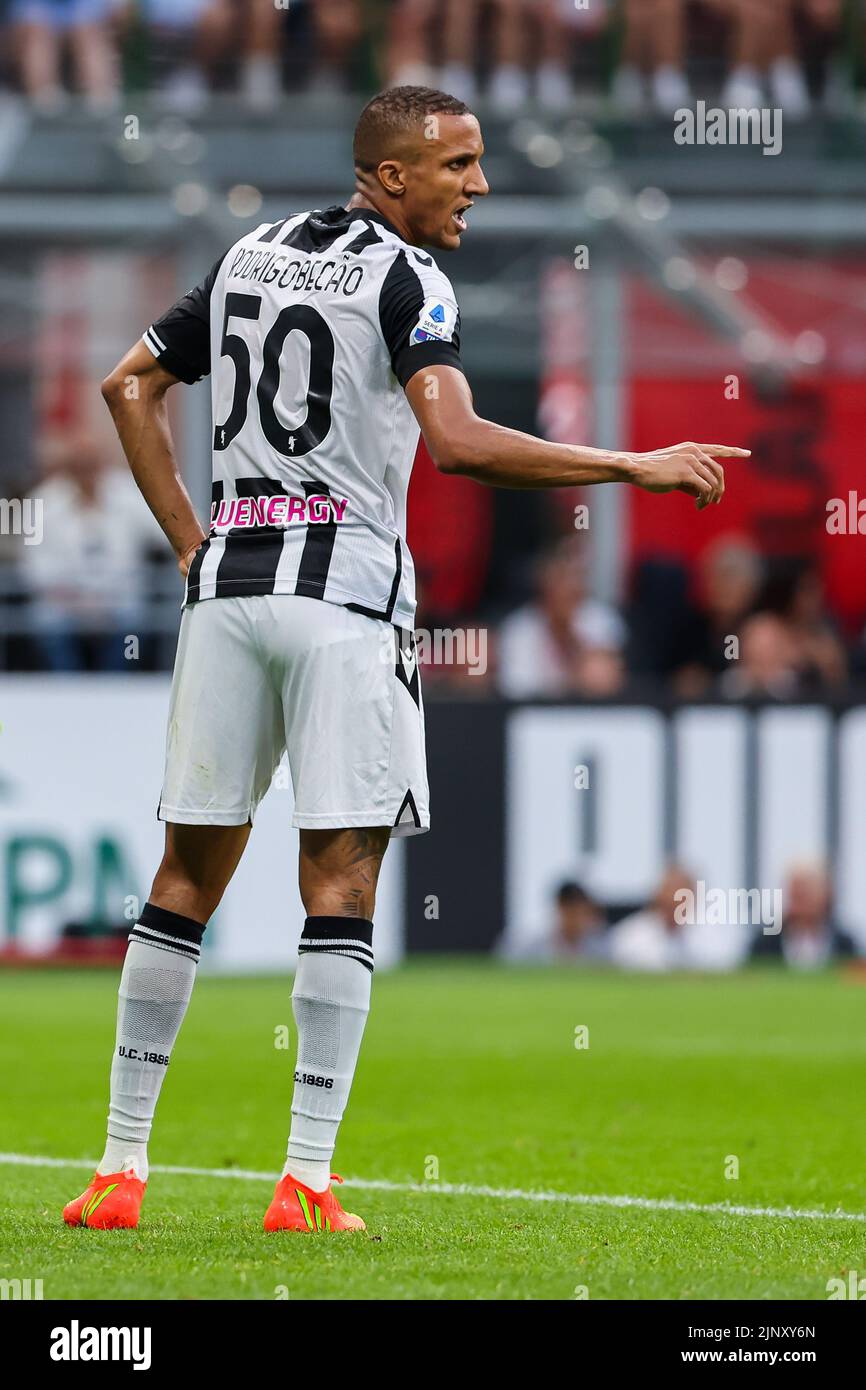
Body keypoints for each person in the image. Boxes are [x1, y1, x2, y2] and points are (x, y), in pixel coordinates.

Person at [62, 83, 747, 1236]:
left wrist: (194, 541)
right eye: (458, 165)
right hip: (344, 599)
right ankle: (306, 1184)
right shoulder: (406, 278)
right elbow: (458, 442)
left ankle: (119, 1171)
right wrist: (632, 464)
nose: (477, 185)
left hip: (228, 596)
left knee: (184, 878)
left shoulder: (249, 253)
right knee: (338, 885)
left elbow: (128, 384)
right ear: (390, 175)